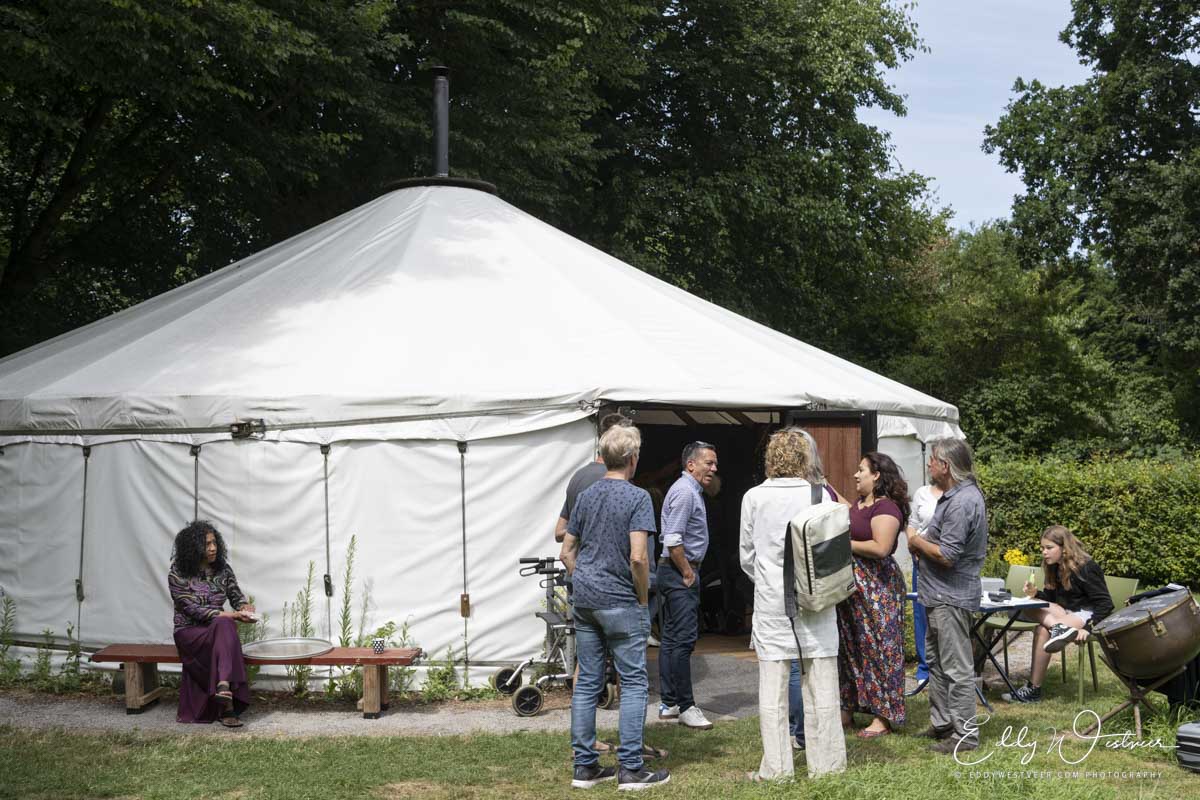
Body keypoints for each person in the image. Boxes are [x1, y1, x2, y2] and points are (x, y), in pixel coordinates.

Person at [561, 424, 670, 791]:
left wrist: (582, 579)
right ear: (633, 459)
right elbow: (639, 557)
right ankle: (631, 768)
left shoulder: (586, 495)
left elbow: (566, 550)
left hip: (586, 599)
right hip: (622, 600)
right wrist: (642, 597)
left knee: (588, 682)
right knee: (635, 682)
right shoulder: (637, 498)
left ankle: (585, 767)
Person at [739, 428, 846, 781]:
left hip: (771, 604)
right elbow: (833, 556)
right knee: (822, 686)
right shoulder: (822, 495)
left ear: (771, 458)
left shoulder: (753, 497)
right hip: (816, 603)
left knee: (773, 689)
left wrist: (769, 581)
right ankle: (827, 765)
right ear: (806, 458)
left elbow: (747, 557)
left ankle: (777, 769)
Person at [904, 438, 989, 754]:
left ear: (946, 466)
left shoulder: (963, 502)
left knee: (956, 668)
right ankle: (943, 726)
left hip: (950, 596)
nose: (928, 465)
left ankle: (966, 736)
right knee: (937, 664)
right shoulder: (954, 497)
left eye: (933, 460)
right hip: (937, 593)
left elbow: (948, 554)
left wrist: (915, 542)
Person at [832, 452, 909, 737]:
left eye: (861, 470)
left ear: (876, 475)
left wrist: (844, 543)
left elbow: (880, 547)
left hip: (879, 589)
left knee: (881, 649)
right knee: (851, 647)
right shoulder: (860, 505)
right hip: (854, 589)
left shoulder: (886, 508)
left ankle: (883, 716)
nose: (855, 475)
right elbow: (845, 509)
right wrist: (823, 484)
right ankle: (847, 709)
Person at [1001, 525, 1114, 703]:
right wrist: (1035, 594)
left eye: (1049, 548)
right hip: (1064, 613)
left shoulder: (1087, 567)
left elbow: (1106, 604)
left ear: (1064, 548)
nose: (1044, 552)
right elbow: (1052, 599)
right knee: (1027, 604)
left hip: (1086, 614)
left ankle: (1033, 690)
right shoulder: (1054, 567)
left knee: (1042, 630)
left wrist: (1088, 628)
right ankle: (1058, 629)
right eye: (1042, 548)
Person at [168, 520, 255, 727]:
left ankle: (223, 686)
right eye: (207, 544)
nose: (213, 547)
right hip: (189, 633)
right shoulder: (177, 573)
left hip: (217, 632)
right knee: (224, 623)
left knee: (224, 625)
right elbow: (192, 609)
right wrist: (229, 616)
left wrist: (244, 607)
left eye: (214, 542)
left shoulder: (223, 570)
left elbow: (236, 597)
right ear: (193, 547)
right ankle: (228, 708)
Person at [657, 440, 719, 730]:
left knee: (671, 640)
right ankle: (686, 706)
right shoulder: (685, 493)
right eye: (709, 463)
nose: (714, 468)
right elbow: (672, 539)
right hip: (680, 571)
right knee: (682, 641)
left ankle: (670, 702)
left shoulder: (689, 491)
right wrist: (687, 571)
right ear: (691, 464)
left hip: (673, 571)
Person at [905, 481, 943, 695]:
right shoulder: (922, 493)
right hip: (920, 559)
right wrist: (913, 543)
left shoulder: (959, 494)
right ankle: (924, 669)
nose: (930, 463)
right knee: (921, 613)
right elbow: (912, 523)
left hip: (943, 560)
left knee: (942, 613)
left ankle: (942, 669)